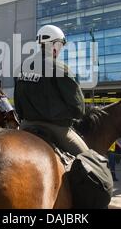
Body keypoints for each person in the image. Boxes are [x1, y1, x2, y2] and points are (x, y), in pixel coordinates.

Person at [14, 25, 88, 155]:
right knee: (90, 160)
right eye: (60, 45)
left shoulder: (22, 67)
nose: (60, 49)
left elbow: (18, 105)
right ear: (54, 44)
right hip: (56, 129)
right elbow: (78, 109)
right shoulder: (60, 68)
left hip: (25, 126)